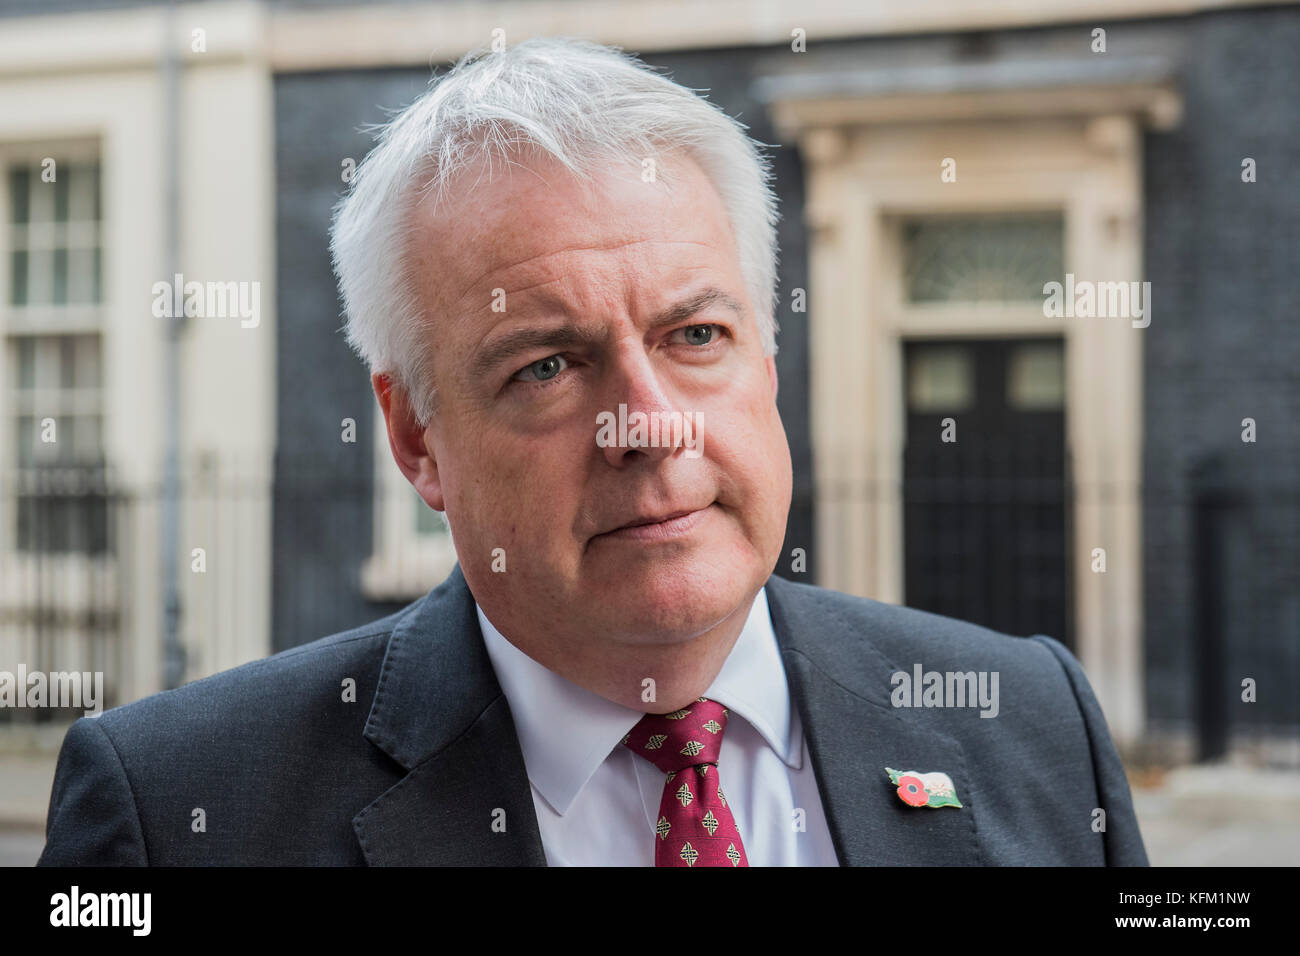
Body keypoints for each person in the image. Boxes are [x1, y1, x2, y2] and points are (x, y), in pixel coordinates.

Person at [39, 36, 1147, 867]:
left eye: (696, 335)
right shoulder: (178, 814)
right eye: (547, 366)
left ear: (767, 359)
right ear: (417, 437)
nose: (648, 423)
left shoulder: (1034, 721)